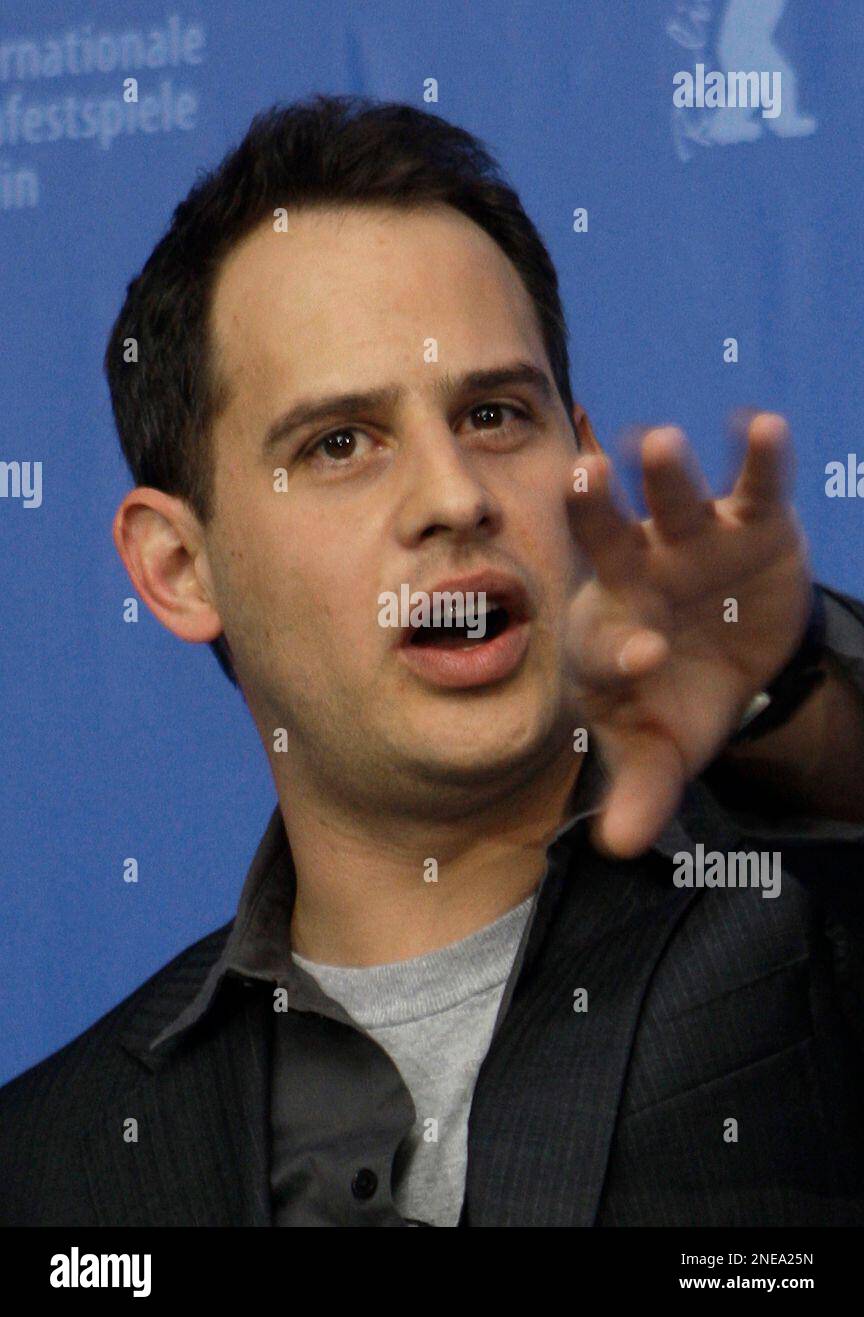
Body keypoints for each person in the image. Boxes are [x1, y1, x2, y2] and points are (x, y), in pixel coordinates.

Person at [2, 94, 863, 1228]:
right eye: (340, 443)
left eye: (497, 415)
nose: (456, 497)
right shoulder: (48, 1166)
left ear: (585, 462)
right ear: (178, 566)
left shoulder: (806, 931)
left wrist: (789, 691)